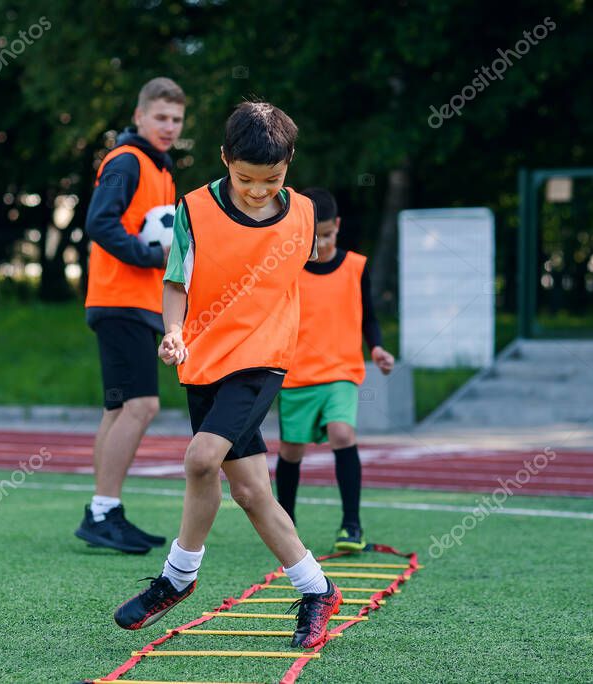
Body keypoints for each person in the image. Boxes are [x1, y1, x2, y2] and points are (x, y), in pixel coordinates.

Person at [113, 101, 343, 649]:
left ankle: (179, 576)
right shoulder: (194, 208)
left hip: (263, 359)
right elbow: (176, 280)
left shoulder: (305, 214)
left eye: (273, 178)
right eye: (246, 178)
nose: (259, 189)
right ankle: (318, 590)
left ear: (289, 164)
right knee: (251, 491)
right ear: (224, 160)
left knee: (200, 459)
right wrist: (173, 329)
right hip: (204, 360)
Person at [75, 77, 185, 555]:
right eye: (160, 117)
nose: (169, 127)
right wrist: (148, 255)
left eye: (177, 120)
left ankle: (103, 512)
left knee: (118, 409)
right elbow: (99, 222)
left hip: (136, 304)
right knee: (142, 406)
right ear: (139, 117)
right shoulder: (126, 161)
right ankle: (103, 509)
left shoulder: (161, 168)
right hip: (120, 302)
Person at [274, 187, 395, 551]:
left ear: (338, 226)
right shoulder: (287, 269)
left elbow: (369, 317)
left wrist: (376, 348)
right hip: (295, 375)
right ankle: (285, 525)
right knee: (291, 450)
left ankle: (352, 526)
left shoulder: (356, 266)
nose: (322, 243)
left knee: (342, 433)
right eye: (314, 237)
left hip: (340, 372)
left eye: (327, 234)